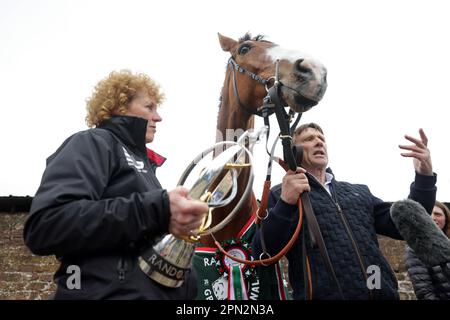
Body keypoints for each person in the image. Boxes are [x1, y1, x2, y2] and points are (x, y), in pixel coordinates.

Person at [23, 70, 208, 299]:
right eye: (149, 107)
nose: (158, 117)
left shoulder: (147, 168)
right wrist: (158, 209)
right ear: (120, 108)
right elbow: (47, 224)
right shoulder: (92, 142)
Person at [252, 122, 436, 300]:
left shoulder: (358, 191)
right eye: (309, 139)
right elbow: (264, 253)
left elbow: (409, 224)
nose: (319, 142)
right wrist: (285, 203)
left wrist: (424, 177)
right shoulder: (281, 194)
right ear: (294, 152)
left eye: (321, 138)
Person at [405, 201, 450, 299]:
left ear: (446, 219)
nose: (433, 218)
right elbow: (425, 293)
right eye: (427, 213)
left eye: (438, 214)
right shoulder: (416, 248)